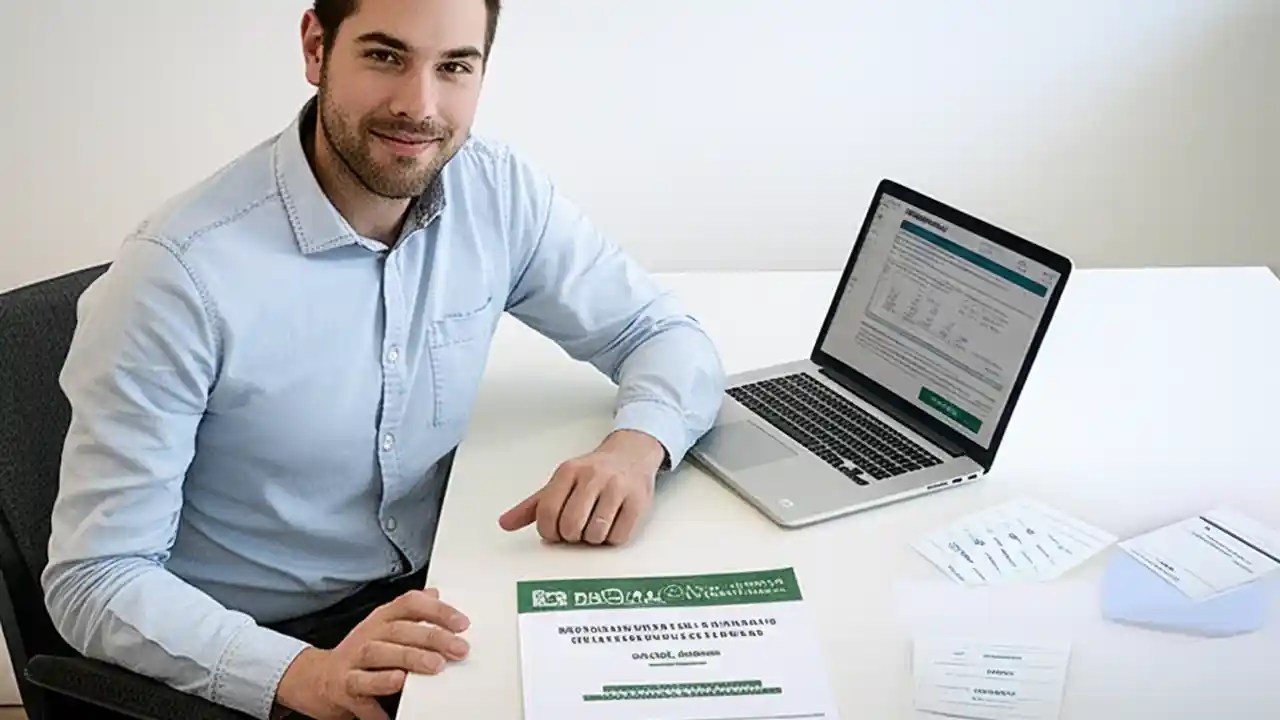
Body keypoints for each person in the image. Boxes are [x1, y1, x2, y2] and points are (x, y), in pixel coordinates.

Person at [41, 0, 726, 718]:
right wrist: (303, 673)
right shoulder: (178, 276)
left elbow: (661, 332)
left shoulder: (496, 193)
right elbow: (95, 579)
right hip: (262, 650)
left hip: (438, 591)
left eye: (454, 66)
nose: (420, 106)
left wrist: (635, 446)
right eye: (385, 56)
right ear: (316, 48)